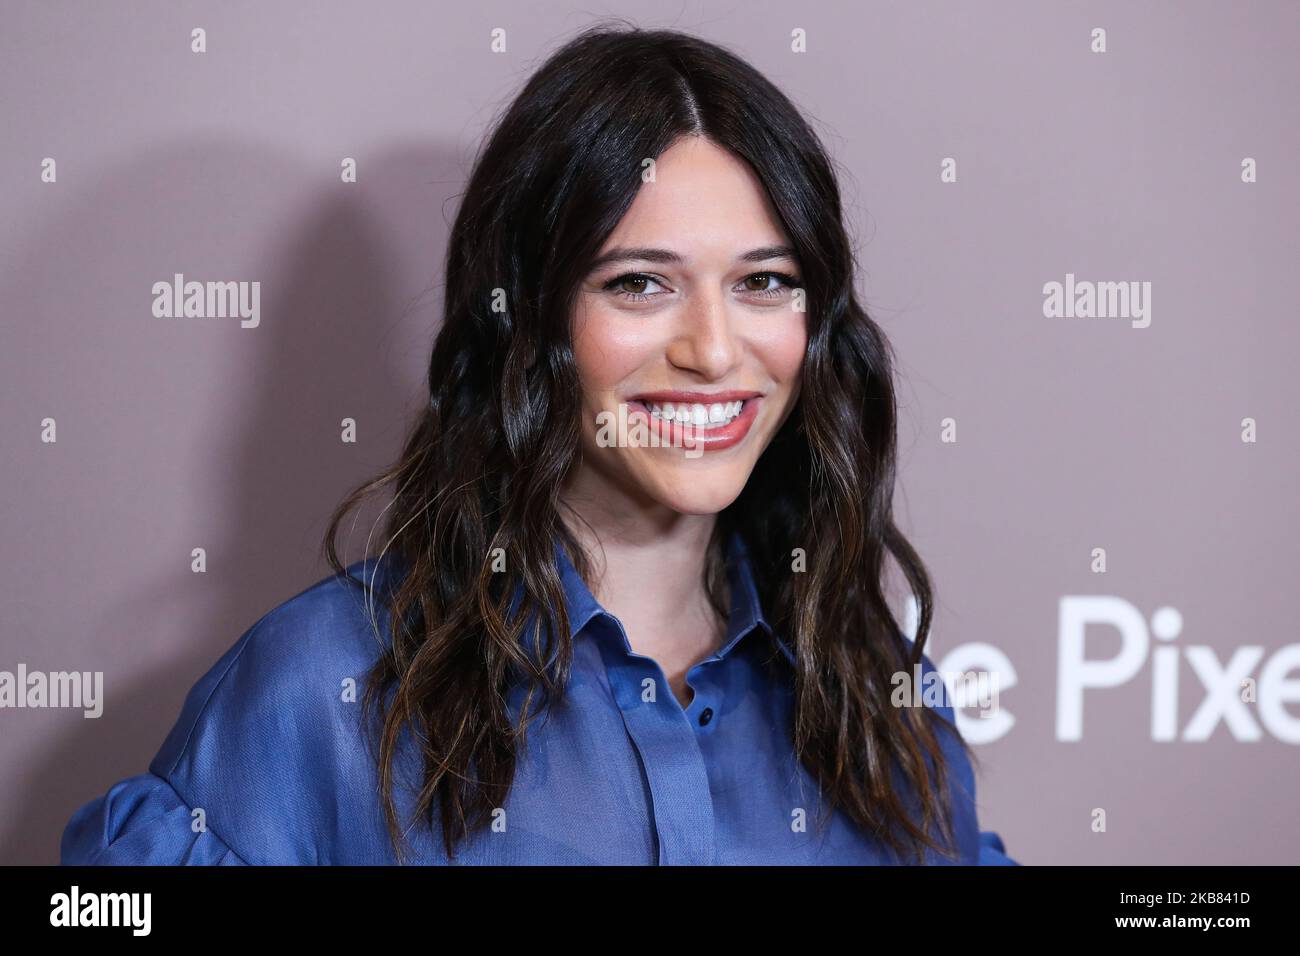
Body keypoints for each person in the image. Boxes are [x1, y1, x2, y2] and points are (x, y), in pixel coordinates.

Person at [61, 23, 1017, 866]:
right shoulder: (320, 692)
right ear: (526, 321)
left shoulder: (873, 694)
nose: (716, 350)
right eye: (640, 283)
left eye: (763, 282)